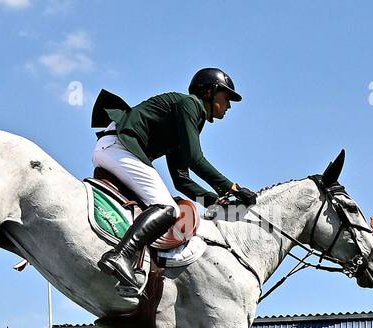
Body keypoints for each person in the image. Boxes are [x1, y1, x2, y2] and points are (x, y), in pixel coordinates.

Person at [90, 68, 257, 290]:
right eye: (226, 97)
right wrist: (232, 188)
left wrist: (214, 202)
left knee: (166, 204)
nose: (229, 105)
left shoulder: (190, 117)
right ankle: (121, 256)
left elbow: (181, 178)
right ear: (209, 91)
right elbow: (195, 159)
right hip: (119, 148)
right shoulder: (190, 105)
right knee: (168, 208)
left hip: (114, 149)